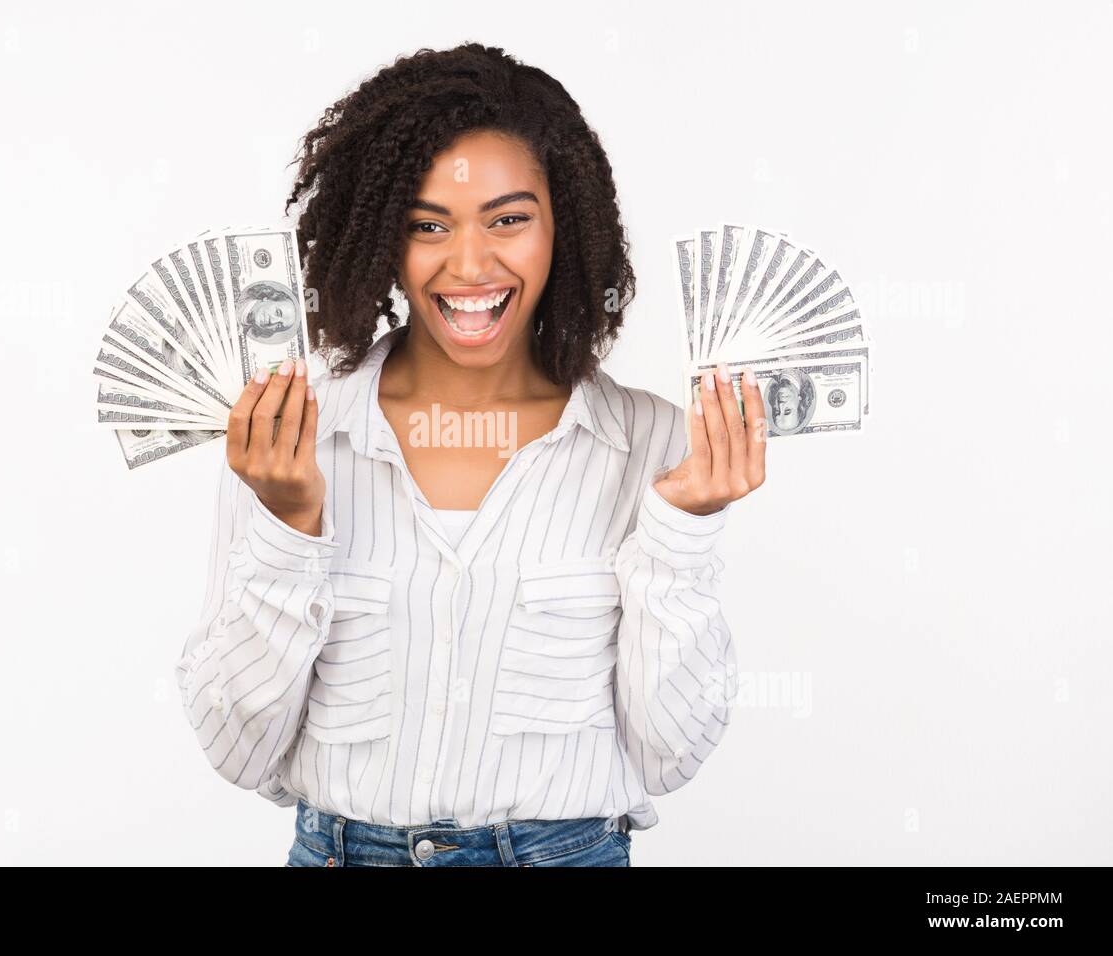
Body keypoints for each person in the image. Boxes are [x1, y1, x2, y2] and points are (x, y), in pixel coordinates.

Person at [173, 42, 768, 867]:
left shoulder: (656, 450)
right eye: (428, 226)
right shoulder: (287, 434)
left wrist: (684, 530)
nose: (470, 264)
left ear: (566, 225)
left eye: (509, 219)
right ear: (383, 238)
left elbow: (671, 757)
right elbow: (236, 753)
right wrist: (288, 526)